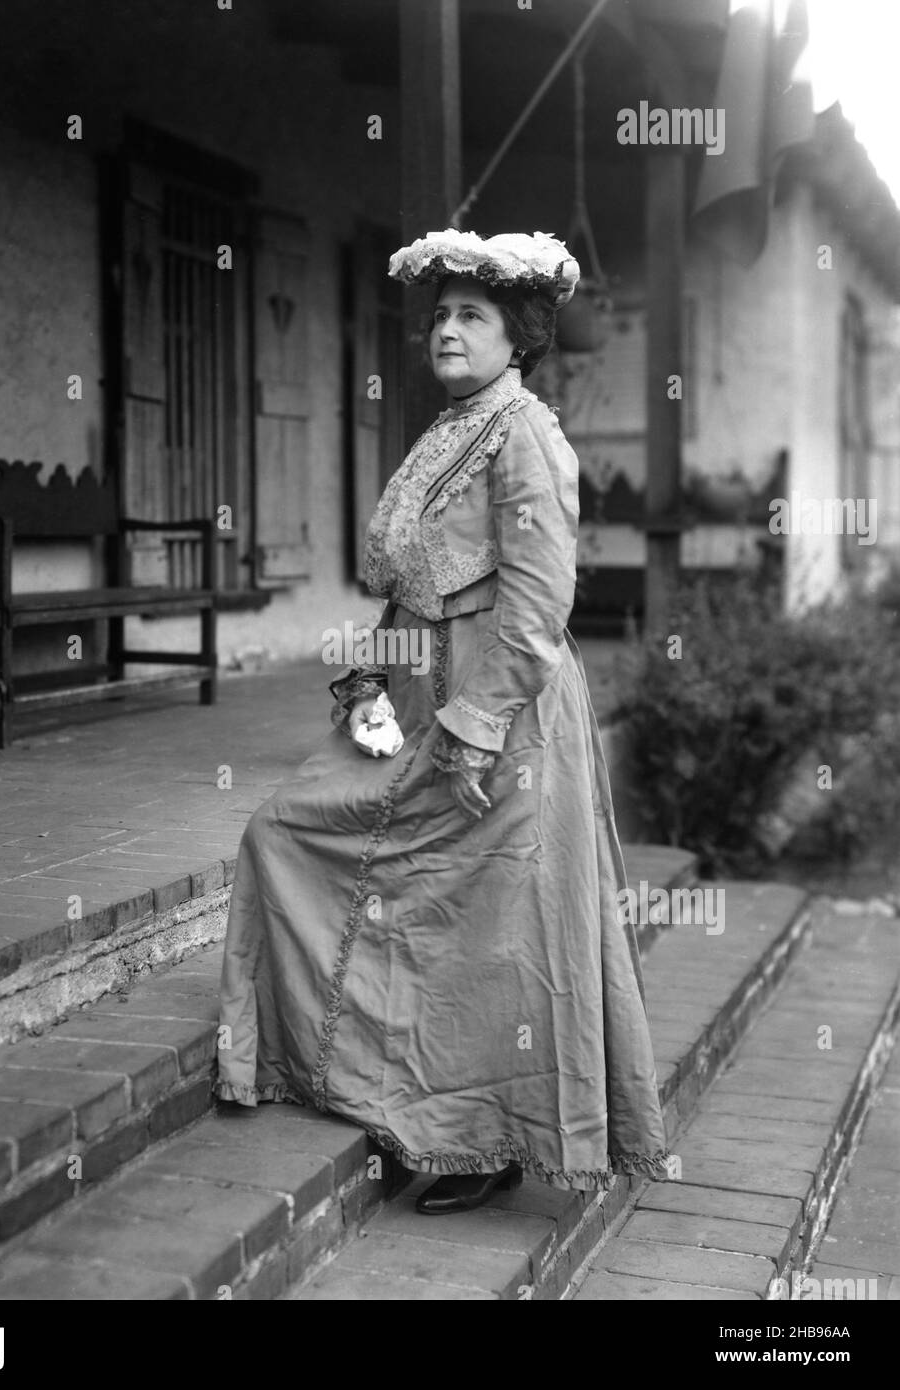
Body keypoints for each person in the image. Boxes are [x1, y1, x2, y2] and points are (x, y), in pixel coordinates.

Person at [215, 228, 669, 1215]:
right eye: (441, 317)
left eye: (473, 316)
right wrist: (372, 678)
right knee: (285, 828)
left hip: (502, 701)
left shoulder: (527, 435)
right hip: (419, 681)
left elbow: (538, 604)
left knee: (491, 924)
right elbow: (410, 593)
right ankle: (384, 1085)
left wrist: (474, 724)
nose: (447, 331)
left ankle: (487, 1140)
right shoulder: (443, 434)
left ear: (520, 337)